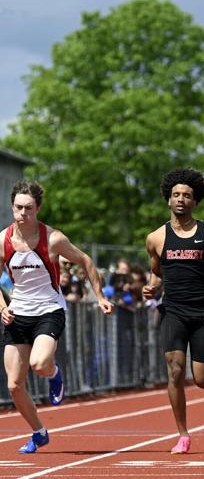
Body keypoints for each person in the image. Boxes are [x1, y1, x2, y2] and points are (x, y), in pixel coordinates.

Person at [0, 180, 113, 453]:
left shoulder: (53, 239)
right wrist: (2, 307)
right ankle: (39, 432)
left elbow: (85, 261)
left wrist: (100, 296)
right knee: (15, 385)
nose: (22, 213)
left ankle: (54, 373)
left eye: (28, 208)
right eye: (18, 207)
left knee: (39, 364)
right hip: (18, 313)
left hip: (49, 309)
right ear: (12, 206)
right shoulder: (3, 240)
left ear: (38, 208)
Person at [142, 168, 204, 454]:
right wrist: (151, 287)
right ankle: (183, 433)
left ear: (195, 202)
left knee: (203, 381)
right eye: (176, 195)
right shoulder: (156, 238)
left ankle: (187, 420)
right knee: (175, 370)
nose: (181, 200)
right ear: (168, 200)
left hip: (203, 314)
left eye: (187, 196)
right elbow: (158, 273)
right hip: (173, 312)